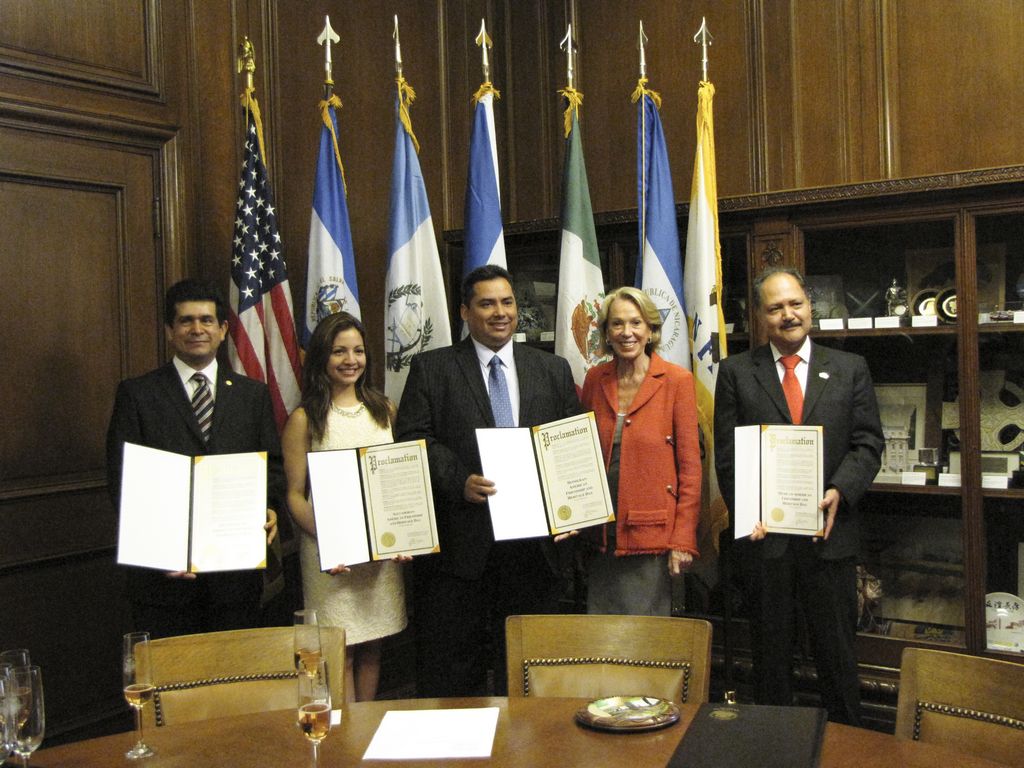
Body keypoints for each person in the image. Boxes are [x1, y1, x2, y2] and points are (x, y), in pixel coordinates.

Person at [395, 264, 580, 697]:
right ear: (464, 311)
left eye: (507, 302)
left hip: (535, 551)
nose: (500, 312)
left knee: (531, 672)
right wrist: (457, 479)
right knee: (455, 672)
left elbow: (570, 442)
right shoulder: (432, 368)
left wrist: (573, 503)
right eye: (487, 303)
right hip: (461, 551)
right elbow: (413, 439)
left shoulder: (551, 369)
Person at [714, 266, 883, 725]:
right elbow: (728, 457)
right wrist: (750, 506)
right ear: (759, 316)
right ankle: (774, 749)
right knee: (770, 665)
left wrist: (839, 492)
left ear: (810, 306)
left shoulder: (850, 368)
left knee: (838, 662)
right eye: (775, 307)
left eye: (796, 304)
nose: (788, 315)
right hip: (764, 543)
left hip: (831, 540)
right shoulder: (735, 373)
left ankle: (848, 750)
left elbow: (868, 444)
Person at [106, 278, 281, 639]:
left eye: (206, 320)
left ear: (222, 330)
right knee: (172, 691)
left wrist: (270, 509)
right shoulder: (138, 394)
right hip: (163, 584)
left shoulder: (253, 396)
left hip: (235, 582)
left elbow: (273, 467)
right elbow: (123, 481)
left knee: (236, 686)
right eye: (186, 321)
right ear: (170, 330)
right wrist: (159, 549)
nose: (197, 329)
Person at [281, 311, 407, 702]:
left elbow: (397, 484)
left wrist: (402, 535)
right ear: (322, 357)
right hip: (330, 556)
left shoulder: (384, 409)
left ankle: (366, 727)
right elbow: (294, 496)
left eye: (357, 350)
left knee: (373, 647)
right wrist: (333, 540)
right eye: (339, 351)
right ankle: (347, 743)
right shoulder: (305, 419)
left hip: (380, 559)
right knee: (341, 651)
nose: (350, 360)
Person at [579, 286, 702, 615]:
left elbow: (690, 468)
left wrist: (683, 540)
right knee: (602, 645)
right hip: (601, 537)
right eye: (616, 324)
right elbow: (580, 455)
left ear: (651, 329)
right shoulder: (595, 380)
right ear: (606, 332)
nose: (626, 332)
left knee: (647, 647)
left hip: (652, 539)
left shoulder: (676, 381)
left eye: (635, 323)